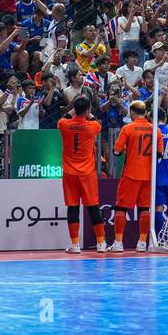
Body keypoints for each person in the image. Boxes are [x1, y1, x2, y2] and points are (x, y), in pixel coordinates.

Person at [58, 94, 106, 254]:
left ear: (74, 109)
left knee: (72, 208)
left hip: (70, 173)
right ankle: (101, 243)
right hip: (87, 174)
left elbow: (64, 117)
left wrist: (76, 108)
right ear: (88, 110)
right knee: (93, 207)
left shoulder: (64, 125)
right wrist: (87, 111)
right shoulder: (93, 127)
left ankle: (75, 245)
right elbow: (95, 121)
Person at [111, 100, 160, 252]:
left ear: (132, 113)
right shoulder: (156, 130)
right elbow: (159, 155)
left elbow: (116, 151)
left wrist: (127, 149)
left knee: (121, 207)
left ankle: (118, 243)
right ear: (145, 113)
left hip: (130, 174)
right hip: (148, 176)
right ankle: (142, 242)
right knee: (144, 208)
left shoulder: (127, 128)